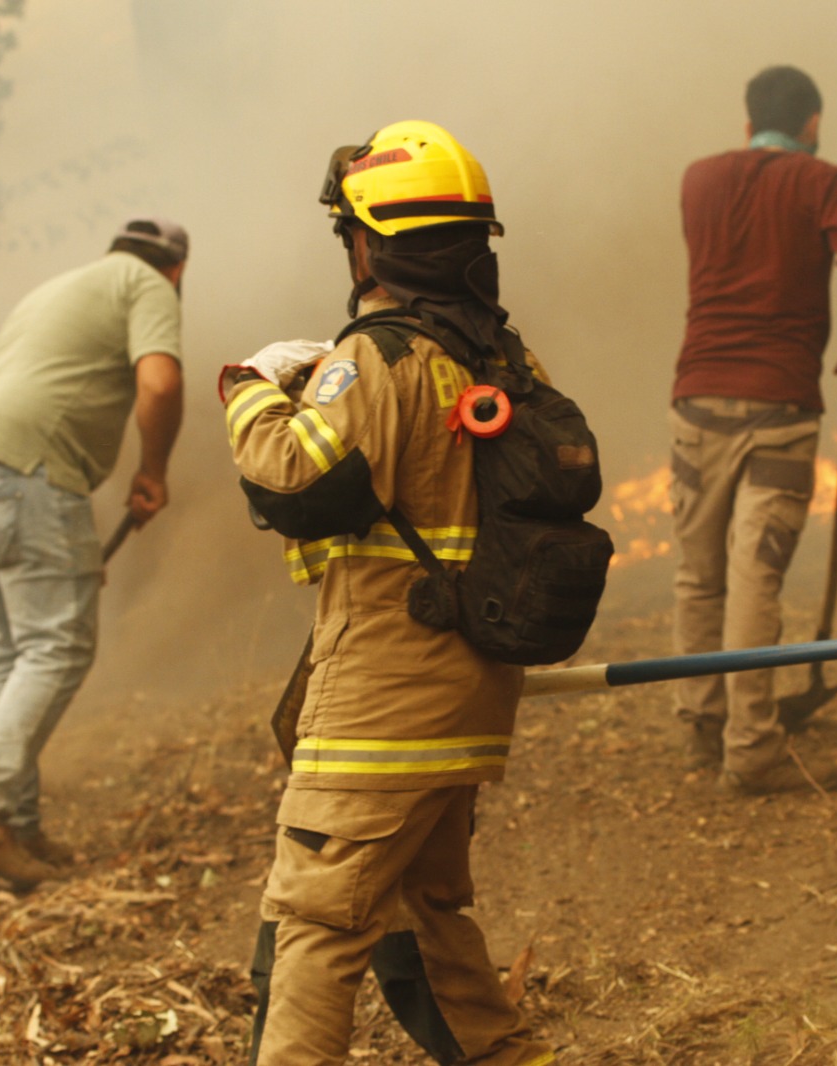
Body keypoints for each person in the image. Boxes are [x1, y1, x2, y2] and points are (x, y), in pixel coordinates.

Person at [220, 121, 556, 1065]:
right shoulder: (506, 363)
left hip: (382, 699)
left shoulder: (381, 357)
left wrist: (251, 387)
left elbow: (294, 480)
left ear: (366, 241)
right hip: (468, 696)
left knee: (314, 925)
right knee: (429, 912)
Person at [0, 218, 187, 888]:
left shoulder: (59, 287)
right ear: (177, 271)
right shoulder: (148, 285)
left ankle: (12, 819)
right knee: (57, 646)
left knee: (9, 650)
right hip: (25, 474)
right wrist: (152, 470)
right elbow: (159, 383)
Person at [671, 66, 837, 794]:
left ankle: (701, 725)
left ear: (746, 122)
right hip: (782, 410)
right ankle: (752, 750)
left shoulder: (697, 180)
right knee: (754, 576)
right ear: (814, 124)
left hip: (698, 400)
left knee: (699, 575)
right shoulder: (823, 181)